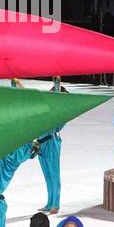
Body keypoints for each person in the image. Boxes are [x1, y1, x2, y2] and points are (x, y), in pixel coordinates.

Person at [32, 79, 66, 212]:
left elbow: (57, 96)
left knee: (54, 175)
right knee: (47, 175)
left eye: (52, 92)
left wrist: (57, 80)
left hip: (51, 143)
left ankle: (55, 204)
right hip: (41, 144)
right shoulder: (45, 110)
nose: (49, 94)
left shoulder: (59, 112)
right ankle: (49, 202)